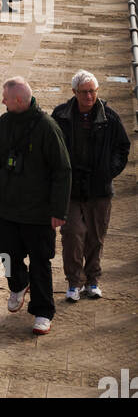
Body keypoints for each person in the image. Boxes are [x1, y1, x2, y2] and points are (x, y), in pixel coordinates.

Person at [0, 77, 71, 335]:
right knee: (7, 255)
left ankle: (43, 311)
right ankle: (18, 284)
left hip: (38, 213)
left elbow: (62, 171)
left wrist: (58, 211)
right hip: (7, 207)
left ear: (18, 100)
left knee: (40, 262)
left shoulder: (47, 127)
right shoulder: (3, 122)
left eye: (5, 98)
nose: (2, 101)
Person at [53, 71, 130, 301]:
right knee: (72, 234)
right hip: (71, 188)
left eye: (93, 91)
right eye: (84, 92)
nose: (89, 96)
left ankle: (93, 280)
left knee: (96, 237)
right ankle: (74, 282)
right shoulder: (61, 115)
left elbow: (122, 147)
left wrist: (109, 171)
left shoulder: (110, 117)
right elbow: (49, 146)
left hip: (99, 188)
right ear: (74, 92)